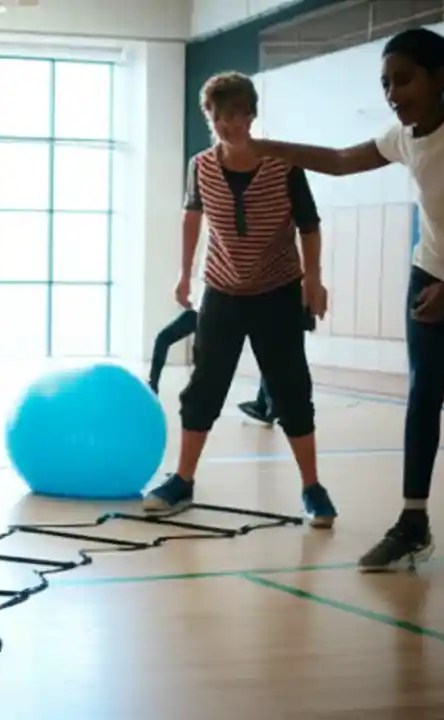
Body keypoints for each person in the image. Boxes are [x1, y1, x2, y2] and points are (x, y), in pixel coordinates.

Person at [246, 28, 444, 572]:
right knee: (423, 395)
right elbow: (342, 159)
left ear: (439, 77)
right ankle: (413, 523)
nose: (393, 92)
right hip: (433, 267)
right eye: (385, 83)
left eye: (403, 79)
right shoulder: (404, 136)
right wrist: (267, 147)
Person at [142, 71, 338, 528]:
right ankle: (183, 481)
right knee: (205, 386)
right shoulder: (201, 165)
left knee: (290, 388)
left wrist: (314, 281)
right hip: (223, 290)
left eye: (237, 116)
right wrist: (183, 273)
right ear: (209, 118)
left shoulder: (284, 163)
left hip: (277, 290)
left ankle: (312, 487)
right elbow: (192, 216)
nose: (228, 126)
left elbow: (309, 225)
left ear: (251, 115)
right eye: (218, 117)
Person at [148, 307, 277, 424]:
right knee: (170, 341)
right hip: (205, 310)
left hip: (213, 311)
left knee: (264, 352)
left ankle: (264, 405)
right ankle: (264, 404)